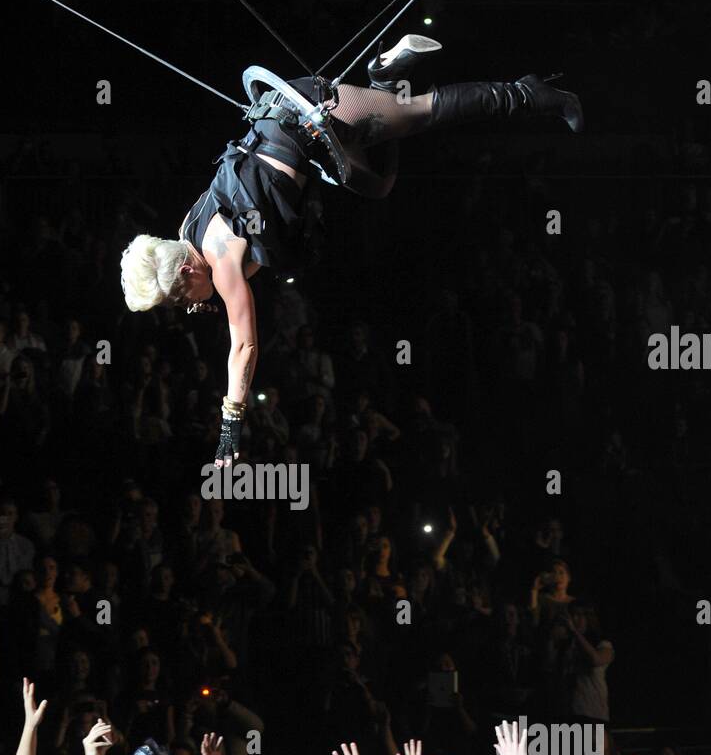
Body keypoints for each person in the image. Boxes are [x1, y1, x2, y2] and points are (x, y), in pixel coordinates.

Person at [120, 43, 582, 467]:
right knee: (380, 164)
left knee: (421, 113)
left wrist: (230, 425)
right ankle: (384, 73)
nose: (188, 306)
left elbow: (243, 346)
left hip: (316, 118)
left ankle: (532, 93)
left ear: (184, 267)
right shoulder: (187, 228)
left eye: (180, 298)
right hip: (294, 123)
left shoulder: (221, 262)